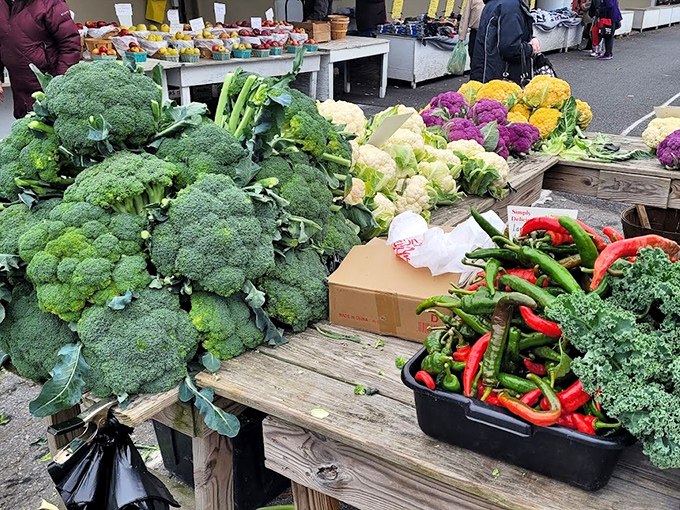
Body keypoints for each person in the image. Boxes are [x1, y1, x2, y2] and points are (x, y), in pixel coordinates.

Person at [0, 0, 80, 118]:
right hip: (20, 94)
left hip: (49, 90)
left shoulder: (50, 3)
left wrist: (58, 84)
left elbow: (70, 44)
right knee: (24, 130)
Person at [470, 0, 540, 84]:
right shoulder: (510, 7)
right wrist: (531, 48)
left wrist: (530, 39)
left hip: (487, 76)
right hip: (502, 81)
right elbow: (510, 49)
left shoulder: (495, 3)